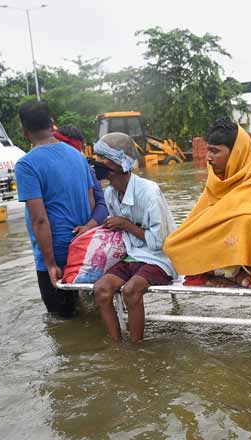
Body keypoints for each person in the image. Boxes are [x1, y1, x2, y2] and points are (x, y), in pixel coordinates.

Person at [163, 117, 251, 290]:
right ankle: (229, 272)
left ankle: (238, 272)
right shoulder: (216, 179)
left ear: (236, 152)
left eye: (215, 151)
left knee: (247, 220)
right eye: (207, 150)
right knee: (172, 244)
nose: (208, 157)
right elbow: (201, 217)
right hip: (226, 249)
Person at [15, 101, 103, 318]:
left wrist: (50, 263)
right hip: (84, 250)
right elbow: (91, 203)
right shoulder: (78, 157)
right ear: (52, 124)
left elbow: (39, 220)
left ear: (24, 132)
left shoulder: (26, 165)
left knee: (62, 323)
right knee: (91, 316)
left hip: (57, 252)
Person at [90, 133, 177, 343]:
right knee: (100, 289)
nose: (97, 163)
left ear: (120, 165)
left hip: (159, 258)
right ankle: (118, 347)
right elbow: (119, 233)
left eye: (102, 158)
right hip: (131, 256)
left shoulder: (149, 193)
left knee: (130, 291)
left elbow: (160, 242)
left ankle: (136, 348)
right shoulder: (110, 193)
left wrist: (125, 224)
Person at [53, 124, 108, 230]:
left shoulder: (87, 170)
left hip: (80, 233)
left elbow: (102, 203)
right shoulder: (45, 168)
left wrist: (88, 226)